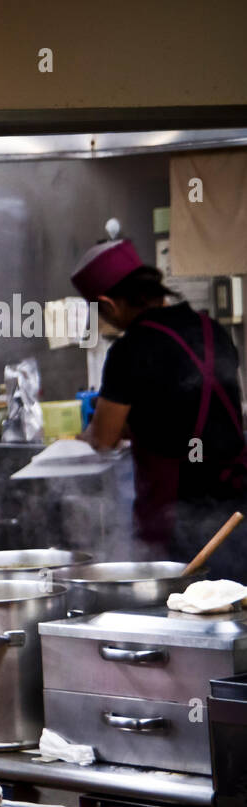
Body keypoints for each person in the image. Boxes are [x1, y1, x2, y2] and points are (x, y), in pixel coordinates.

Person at [72, 239, 247, 580]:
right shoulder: (214, 330)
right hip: (236, 508)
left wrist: (86, 434)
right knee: (235, 609)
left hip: (176, 515)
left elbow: (104, 438)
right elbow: (184, 403)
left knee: (183, 610)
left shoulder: (130, 349)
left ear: (108, 303)